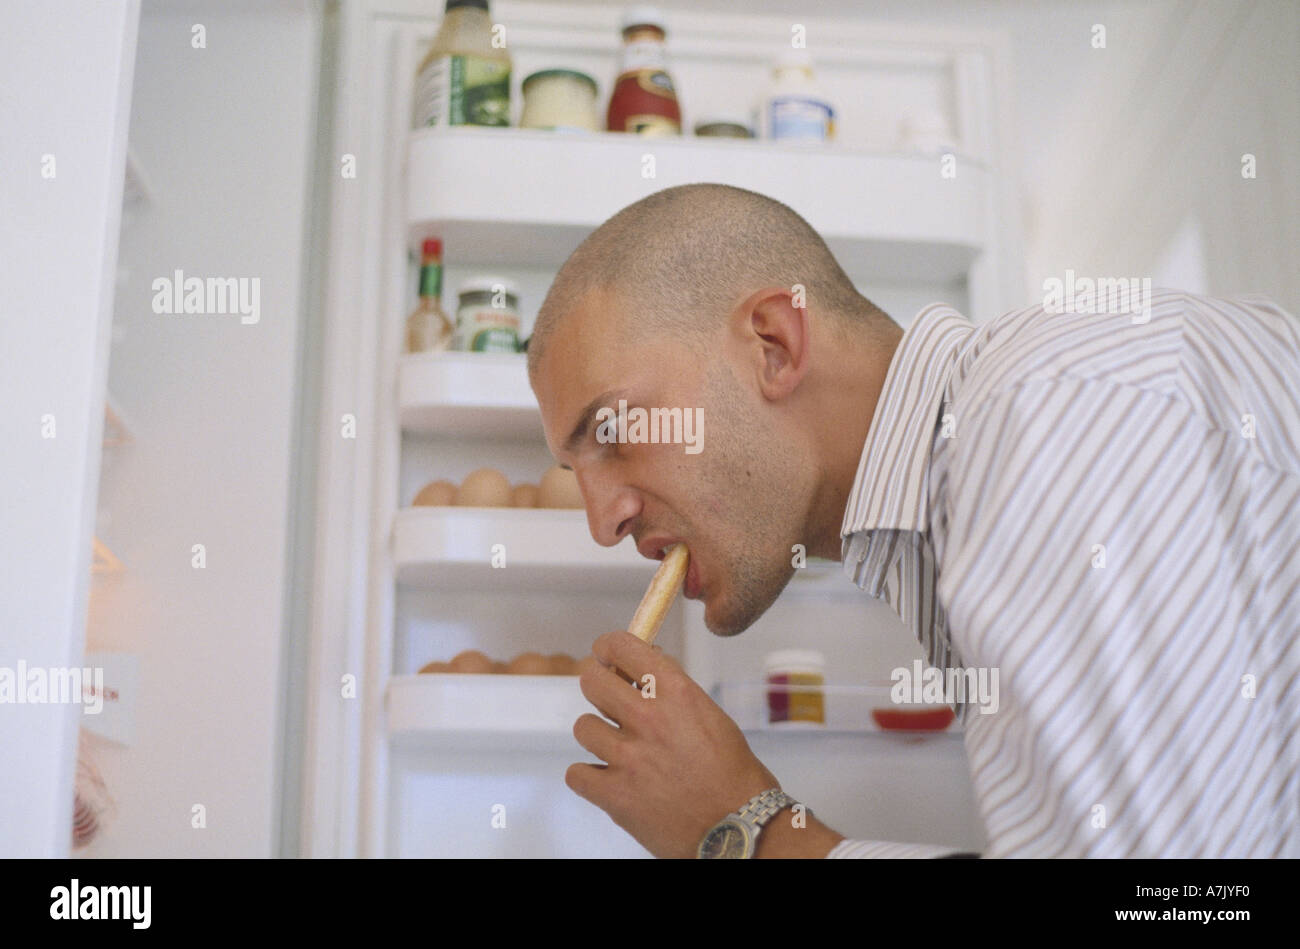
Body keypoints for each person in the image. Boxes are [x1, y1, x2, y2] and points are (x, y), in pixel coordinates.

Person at [526, 183, 1300, 858]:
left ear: (772, 343)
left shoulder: (1039, 416)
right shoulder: (964, 501)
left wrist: (744, 828)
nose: (603, 520)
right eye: (576, 472)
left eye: (612, 431)